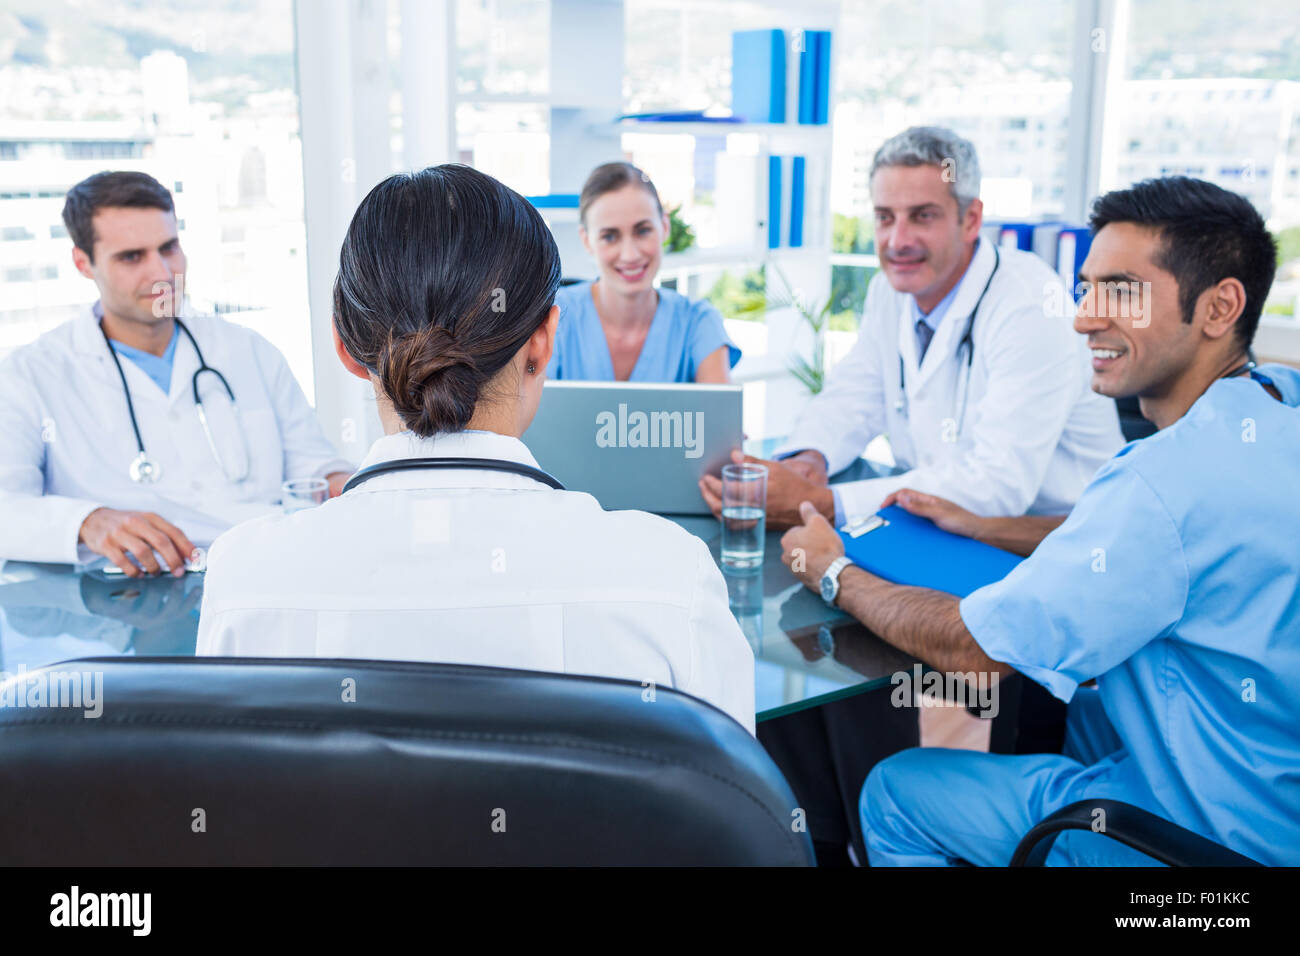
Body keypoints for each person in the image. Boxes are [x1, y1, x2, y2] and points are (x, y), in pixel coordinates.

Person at [778, 176, 1300, 865]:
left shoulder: (1157, 479)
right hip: (1275, 802)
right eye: (1087, 289)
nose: (1085, 317)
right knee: (1068, 716)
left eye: (1122, 291)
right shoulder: (1277, 403)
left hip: (1197, 852)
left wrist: (831, 570)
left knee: (896, 792)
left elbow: (976, 650)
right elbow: (1165, 542)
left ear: (1219, 306)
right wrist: (987, 528)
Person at [196, 164, 756, 734]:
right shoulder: (669, 579)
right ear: (543, 339)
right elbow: (735, 809)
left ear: (345, 346)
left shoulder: (242, 581)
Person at [700, 126, 1123, 529]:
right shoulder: (890, 291)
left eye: (922, 217)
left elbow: (999, 484)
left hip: (1050, 537)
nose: (898, 240)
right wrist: (810, 458)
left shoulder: (1030, 306)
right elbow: (855, 395)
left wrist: (825, 505)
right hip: (941, 525)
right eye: (885, 218)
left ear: (971, 219)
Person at [0, 171, 352, 577]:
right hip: (132, 602)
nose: (162, 272)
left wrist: (349, 484)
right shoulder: (30, 375)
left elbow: (312, 467)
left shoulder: (248, 349)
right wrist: (86, 522)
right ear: (83, 263)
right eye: (132, 257)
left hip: (264, 574)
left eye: (169, 248)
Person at [546, 161, 740, 383]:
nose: (630, 255)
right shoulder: (554, 317)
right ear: (587, 241)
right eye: (609, 236)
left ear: (664, 227)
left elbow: (719, 417)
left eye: (643, 231)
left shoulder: (699, 323)